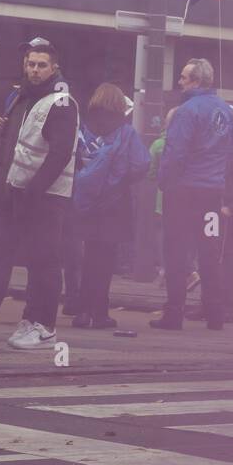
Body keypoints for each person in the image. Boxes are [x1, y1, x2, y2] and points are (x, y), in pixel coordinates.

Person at [0, 40, 78, 349]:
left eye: (41, 65)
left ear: (54, 68)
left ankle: (42, 325)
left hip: (46, 197)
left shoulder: (60, 102)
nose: (35, 70)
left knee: (44, 260)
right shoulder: (23, 99)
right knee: (2, 256)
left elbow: (61, 153)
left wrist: (35, 190)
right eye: (31, 64)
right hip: (13, 192)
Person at [152, 59, 233, 330]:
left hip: (184, 191)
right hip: (212, 193)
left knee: (176, 251)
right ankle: (215, 314)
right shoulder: (225, 110)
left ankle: (174, 313)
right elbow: (231, 153)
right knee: (209, 251)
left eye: (184, 78)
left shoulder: (186, 111)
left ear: (196, 81)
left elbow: (175, 152)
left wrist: (164, 182)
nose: (180, 82)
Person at [72, 83, 150, 329]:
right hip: (114, 204)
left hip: (86, 202)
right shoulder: (125, 132)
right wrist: (123, 180)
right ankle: (100, 313)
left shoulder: (83, 129)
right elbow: (140, 164)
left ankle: (82, 312)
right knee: (106, 260)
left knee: (88, 257)